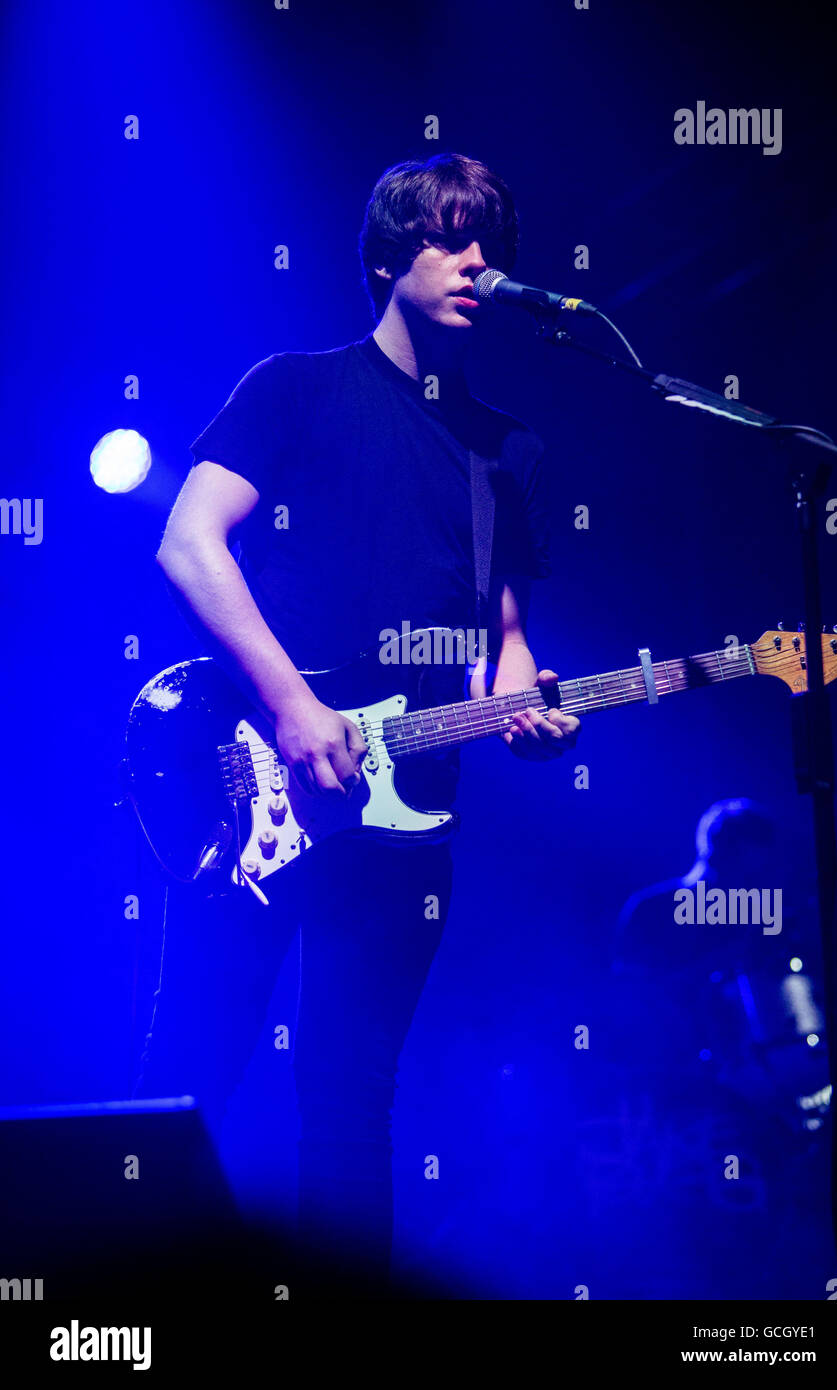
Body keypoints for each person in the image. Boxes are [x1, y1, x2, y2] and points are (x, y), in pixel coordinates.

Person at [133, 152, 579, 1294]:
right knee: (192, 1065)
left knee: (348, 1099)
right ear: (387, 257)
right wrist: (289, 702)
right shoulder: (293, 389)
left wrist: (524, 696)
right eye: (448, 235)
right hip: (257, 785)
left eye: (492, 241)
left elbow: (506, 634)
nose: (479, 259)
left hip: (407, 816)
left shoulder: (507, 450)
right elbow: (188, 543)